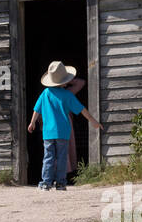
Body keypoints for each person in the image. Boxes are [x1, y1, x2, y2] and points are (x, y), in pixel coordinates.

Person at [28, 60, 101, 191]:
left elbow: (37, 109)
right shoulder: (68, 95)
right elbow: (81, 109)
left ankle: (46, 183)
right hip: (63, 132)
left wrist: (32, 123)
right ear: (64, 80)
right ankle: (61, 183)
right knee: (62, 157)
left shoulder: (45, 94)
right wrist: (93, 121)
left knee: (48, 157)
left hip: (48, 132)